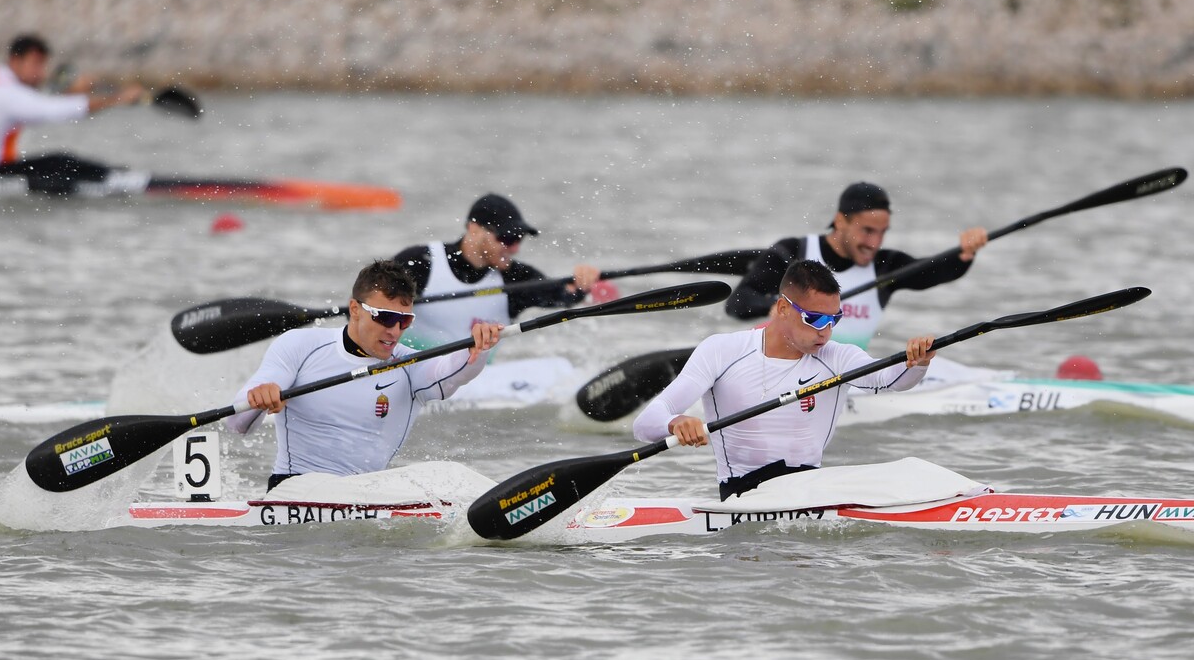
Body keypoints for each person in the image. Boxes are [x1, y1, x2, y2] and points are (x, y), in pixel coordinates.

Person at [634, 260, 936, 501]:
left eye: (835, 320)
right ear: (782, 308)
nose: (825, 331)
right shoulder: (722, 351)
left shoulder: (837, 357)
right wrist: (675, 423)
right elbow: (645, 423)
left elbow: (891, 379)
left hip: (810, 491)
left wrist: (918, 362)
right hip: (744, 496)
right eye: (815, 319)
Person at [225, 259, 502, 491]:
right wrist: (257, 399)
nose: (394, 330)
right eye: (384, 317)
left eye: (404, 321)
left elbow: (452, 372)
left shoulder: (411, 365)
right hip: (292, 491)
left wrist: (476, 349)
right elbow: (237, 424)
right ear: (355, 309)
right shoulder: (300, 346)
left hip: (365, 497)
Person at [726, 181, 989, 348]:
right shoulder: (793, 253)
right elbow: (737, 302)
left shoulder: (886, 266)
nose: (874, 243)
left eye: (882, 232)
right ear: (840, 221)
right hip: (782, 369)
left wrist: (964, 254)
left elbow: (934, 271)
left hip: (842, 375)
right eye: (866, 231)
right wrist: (771, 306)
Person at [393, 193, 601, 349]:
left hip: (474, 381)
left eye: (519, 239)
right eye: (507, 238)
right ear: (474, 229)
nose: (514, 249)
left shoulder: (515, 279)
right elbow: (373, 310)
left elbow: (563, 296)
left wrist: (582, 284)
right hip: (416, 376)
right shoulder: (419, 262)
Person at [0, 33, 144, 190]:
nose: (42, 73)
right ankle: (121, 181)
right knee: (60, 163)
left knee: (56, 163)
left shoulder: (1, 80)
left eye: (43, 65)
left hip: (2, 169)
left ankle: (115, 176)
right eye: (36, 64)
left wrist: (73, 92)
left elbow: (39, 101)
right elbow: (51, 110)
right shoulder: (6, 92)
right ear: (16, 61)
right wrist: (117, 100)